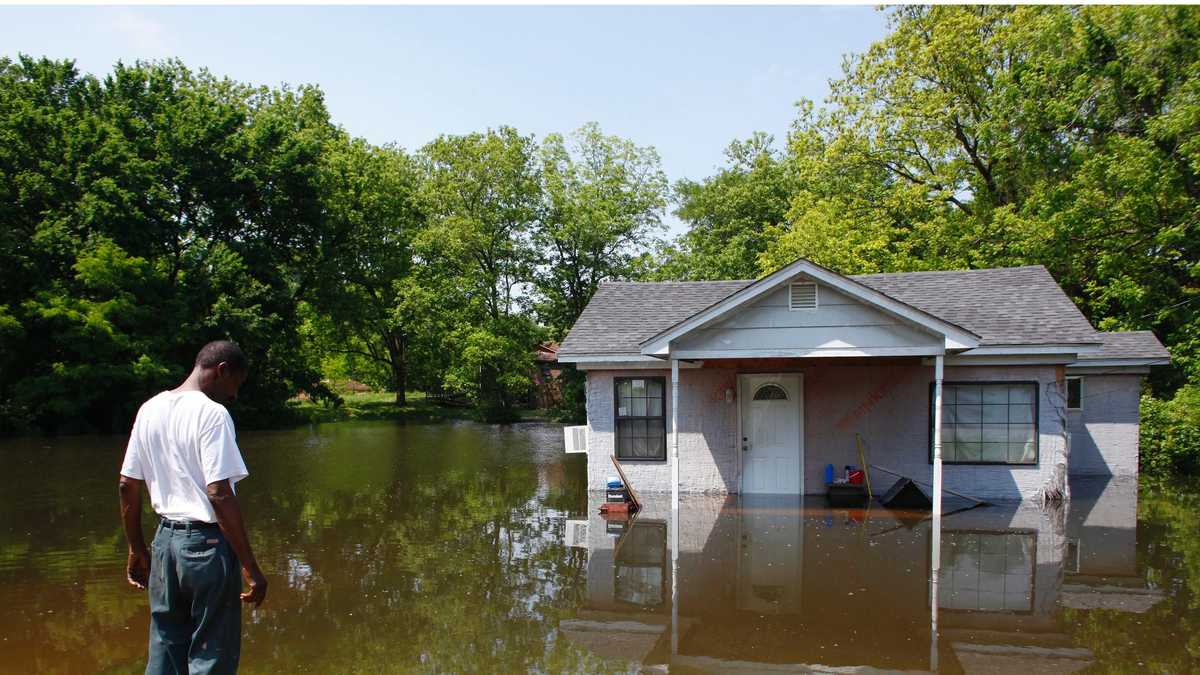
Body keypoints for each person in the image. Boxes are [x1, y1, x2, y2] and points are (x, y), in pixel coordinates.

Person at [118, 340, 268, 675]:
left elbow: (127, 484)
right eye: (236, 385)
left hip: (164, 543)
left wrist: (136, 548)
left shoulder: (149, 409)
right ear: (222, 371)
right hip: (206, 547)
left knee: (165, 647)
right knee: (211, 655)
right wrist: (251, 568)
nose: (235, 395)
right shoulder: (213, 414)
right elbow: (219, 494)